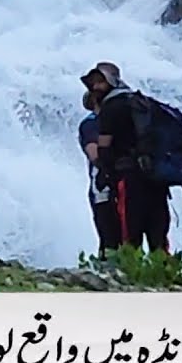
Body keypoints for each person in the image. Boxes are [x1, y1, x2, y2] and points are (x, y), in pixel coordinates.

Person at [80, 62, 171, 254]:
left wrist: (106, 172)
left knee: (128, 234)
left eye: (99, 82)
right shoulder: (141, 103)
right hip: (154, 177)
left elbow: (100, 151)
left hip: (126, 179)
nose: (95, 88)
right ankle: (164, 274)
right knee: (158, 234)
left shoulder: (111, 108)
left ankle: (128, 276)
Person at [79, 89, 121, 254]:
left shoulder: (104, 122)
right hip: (103, 188)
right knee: (110, 236)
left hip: (114, 185)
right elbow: (94, 154)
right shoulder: (91, 124)